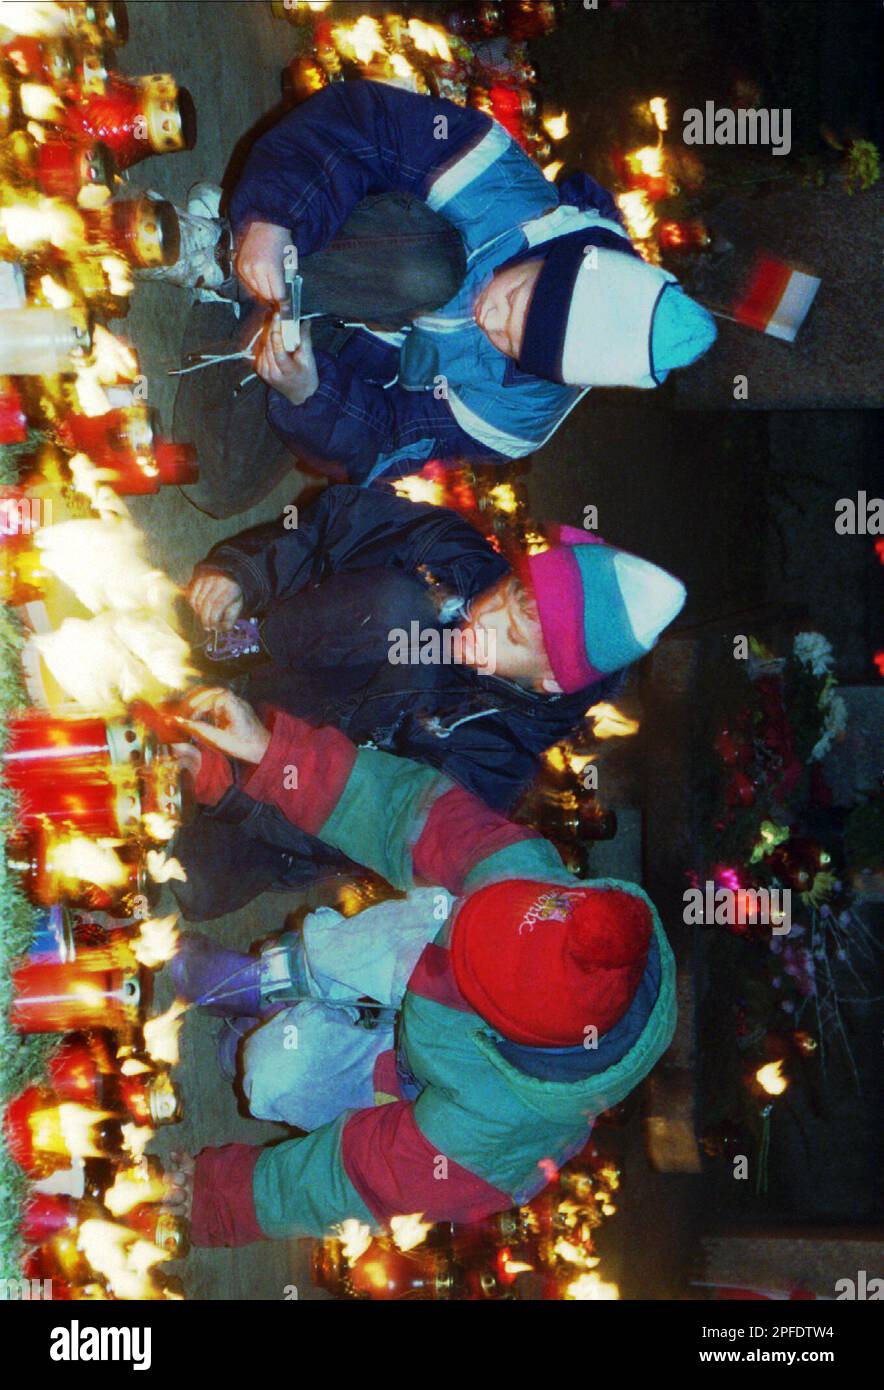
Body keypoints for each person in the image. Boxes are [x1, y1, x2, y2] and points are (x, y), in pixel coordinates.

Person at [164, 686, 677, 1246]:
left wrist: (217, 1198)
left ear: (515, 1033)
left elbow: (359, 1177)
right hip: (421, 1003)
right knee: (438, 904)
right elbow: (406, 813)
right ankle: (273, 979)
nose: (456, 955)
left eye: (475, 974)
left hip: (412, 1079)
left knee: (269, 1072)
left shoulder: (498, 1129)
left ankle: (277, 1031)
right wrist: (272, 755)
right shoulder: (523, 877)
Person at [167, 79, 716, 514]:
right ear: (557, 257)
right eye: (517, 298)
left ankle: (243, 311)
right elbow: (356, 121)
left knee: (217, 481)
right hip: (339, 242)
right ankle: (223, 250)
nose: (492, 319)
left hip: (338, 356)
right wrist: (275, 219)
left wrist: (309, 392)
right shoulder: (499, 182)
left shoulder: (521, 419)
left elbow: (387, 440)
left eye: (515, 346)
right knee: (429, 269)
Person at [169, 484, 686, 920]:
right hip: (291, 676)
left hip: (291, 794)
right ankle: (243, 646)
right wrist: (247, 574)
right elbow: (338, 521)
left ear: (551, 679)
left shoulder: (493, 770)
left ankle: (235, 780)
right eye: (515, 592)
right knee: (404, 610)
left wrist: (237, 792)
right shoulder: (454, 554)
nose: (486, 615)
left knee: (196, 884)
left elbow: (371, 830)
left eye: (516, 634)